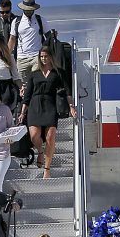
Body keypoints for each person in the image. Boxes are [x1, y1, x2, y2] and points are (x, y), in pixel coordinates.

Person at [19, 45, 78, 179]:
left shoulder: (58, 73)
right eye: (41, 56)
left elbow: (68, 91)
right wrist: (23, 112)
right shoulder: (34, 74)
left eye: (46, 56)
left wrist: (71, 106)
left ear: (51, 57)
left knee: (50, 137)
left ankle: (47, 168)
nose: (44, 59)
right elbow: (27, 95)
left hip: (50, 105)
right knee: (34, 136)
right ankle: (40, 152)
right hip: (35, 106)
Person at [8, 0, 47, 86]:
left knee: (37, 82)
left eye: (31, 9)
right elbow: (12, 39)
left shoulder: (40, 20)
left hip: (36, 56)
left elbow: (48, 35)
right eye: (26, 9)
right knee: (23, 86)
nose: (29, 11)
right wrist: (6, 55)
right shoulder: (16, 21)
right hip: (22, 58)